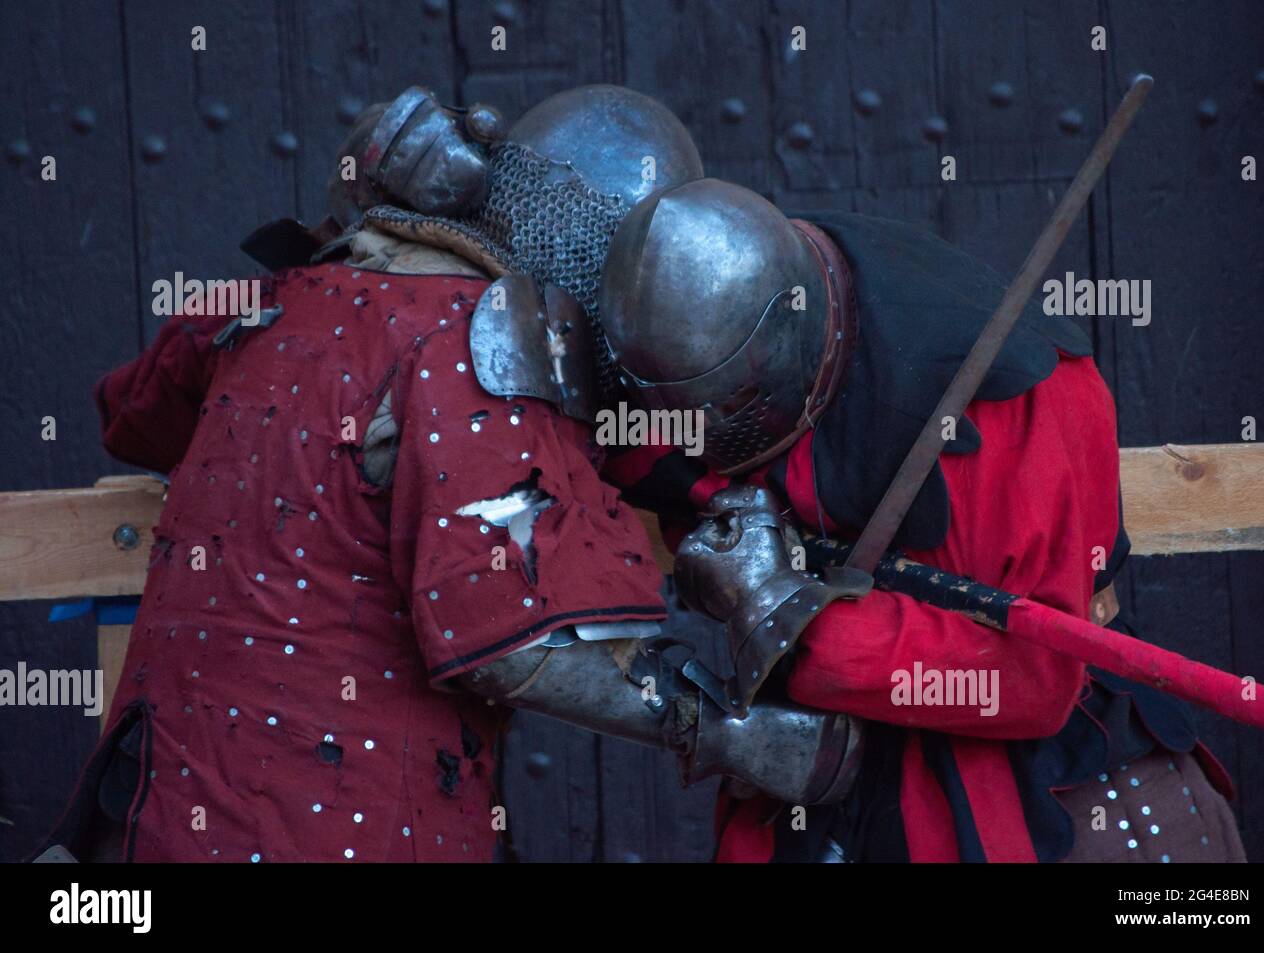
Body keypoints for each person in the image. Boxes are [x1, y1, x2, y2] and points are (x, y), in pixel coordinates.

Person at [35, 87, 866, 864]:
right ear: (605, 256)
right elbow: (512, 646)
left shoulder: (290, 293)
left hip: (148, 808)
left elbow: (133, 412)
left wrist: (349, 218)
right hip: (313, 820)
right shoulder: (484, 342)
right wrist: (734, 729)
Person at [598, 177, 1247, 863]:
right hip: (822, 769)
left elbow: (1034, 678)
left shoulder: (1030, 405)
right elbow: (653, 460)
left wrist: (788, 615)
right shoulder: (711, 312)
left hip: (1043, 761)